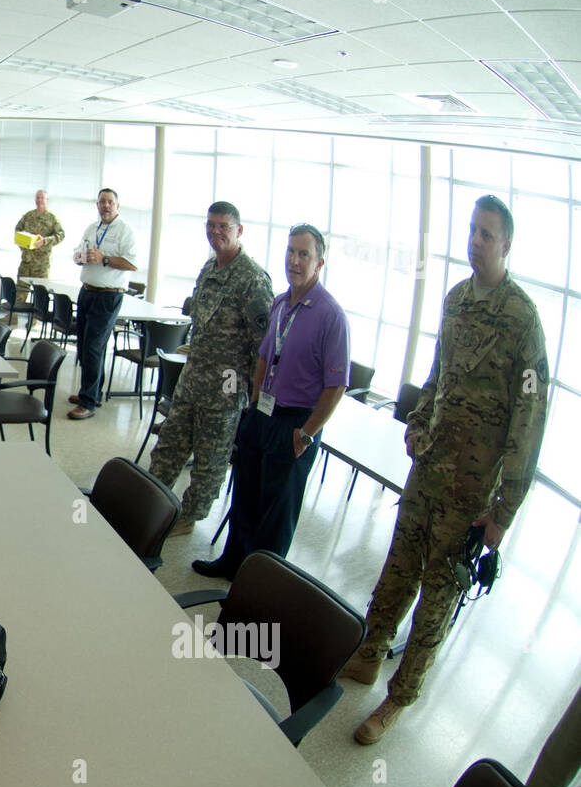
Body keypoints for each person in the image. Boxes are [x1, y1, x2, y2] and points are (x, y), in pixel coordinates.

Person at [342, 197, 549, 745]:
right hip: (429, 470)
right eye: (473, 231)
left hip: (473, 493)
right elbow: (438, 374)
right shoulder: (456, 300)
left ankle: (397, 700)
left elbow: (530, 420)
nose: (476, 241)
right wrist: (415, 423)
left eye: (488, 234)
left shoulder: (522, 318)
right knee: (398, 564)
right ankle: (369, 650)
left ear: (507, 245)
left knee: (438, 595)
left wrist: (504, 512)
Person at [193, 224, 349, 580]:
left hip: (296, 423)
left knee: (276, 513)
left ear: (319, 262)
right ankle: (233, 563)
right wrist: (253, 405)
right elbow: (264, 357)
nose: (294, 260)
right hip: (262, 415)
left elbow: (336, 385)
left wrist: (306, 434)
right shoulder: (281, 302)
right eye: (291, 251)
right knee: (245, 497)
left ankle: (259, 585)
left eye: (304, 254)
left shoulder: (330, 315)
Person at [147, 202, 273, 536]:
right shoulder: (209, 268)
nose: (216, 232)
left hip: (227, 384)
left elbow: (265, 346)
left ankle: (189, 517)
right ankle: (151, 499)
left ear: (239, 231)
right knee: (170, 442)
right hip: (194, 375)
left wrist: (252, 395)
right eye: (211, 225)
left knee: (210, 454)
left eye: (224, 227)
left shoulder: (253, 280)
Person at [68, 188, 137, 420]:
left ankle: (88, 403)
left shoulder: (125, 230)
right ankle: (93, 392)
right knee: (85, 346)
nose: (105, 206)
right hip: (87, 291)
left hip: (108, 295)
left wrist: (104, 259)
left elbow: (132, 263)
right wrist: (79, 257)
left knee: (94, 348)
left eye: (109, 202)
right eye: (101, 202)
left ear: (117, 206)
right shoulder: (92, 228)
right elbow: (79, 250)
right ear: (97, 205)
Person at [14, 189, 65, 303]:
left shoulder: (52, 218)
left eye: (42, 198)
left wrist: (45, 241)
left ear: (47, 200)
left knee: (40, 293)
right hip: (26, 260)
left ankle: (36, 320)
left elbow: (61, 235)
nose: (40, 200)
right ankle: (14, 317)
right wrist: (20, 243)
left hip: (42, 263)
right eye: (38, 198)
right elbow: (18, 229)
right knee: (20, 289)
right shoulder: (28, 215)